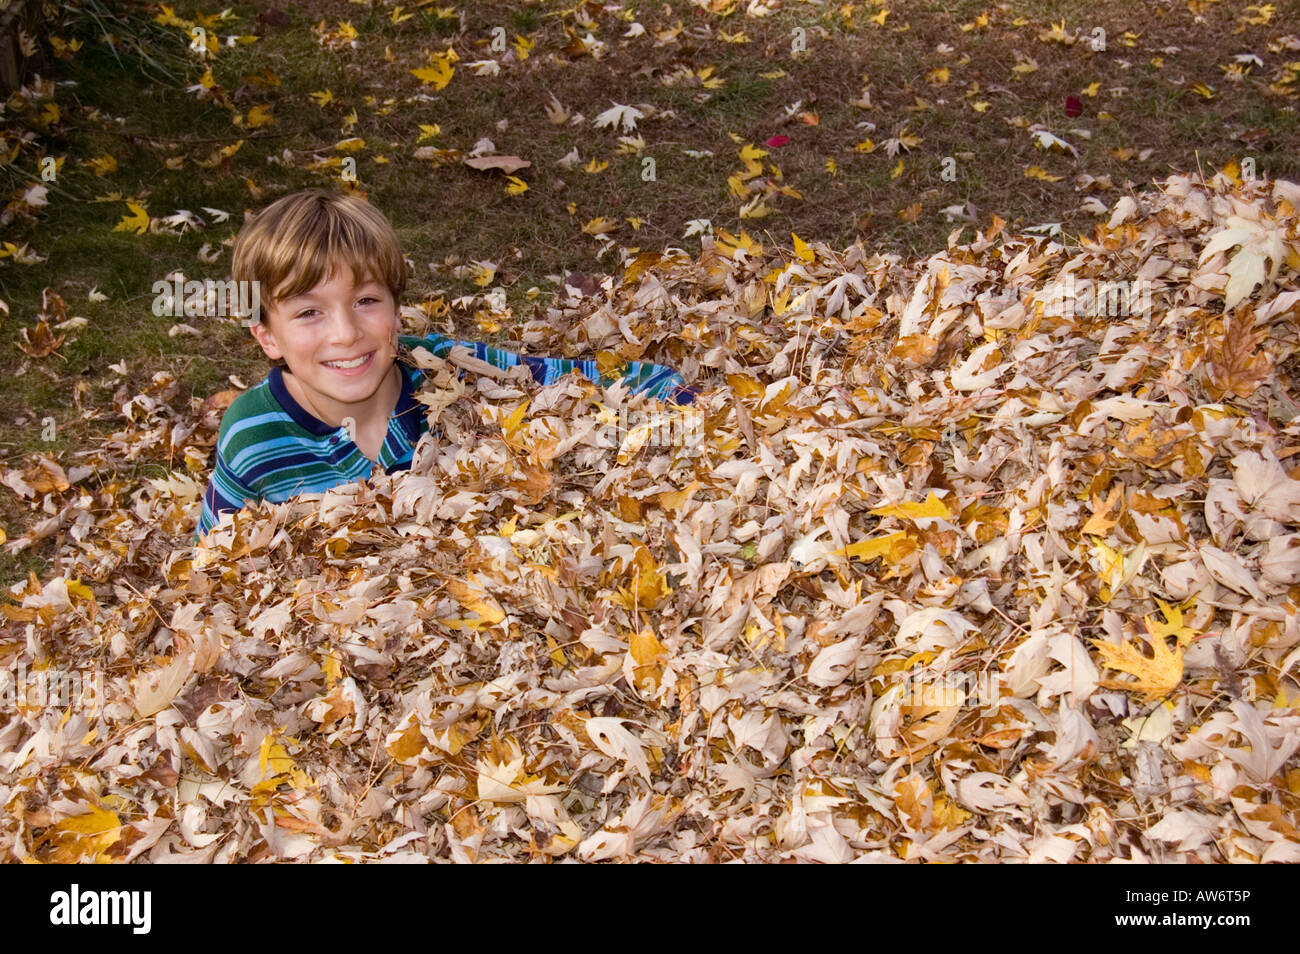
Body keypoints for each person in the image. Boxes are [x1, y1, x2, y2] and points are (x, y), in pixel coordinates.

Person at [195, 189, 694, 541]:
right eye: (308, 312)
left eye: (366, 301)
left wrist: (694, 412)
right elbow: (211, 566)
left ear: (395, 307)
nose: (345, 333)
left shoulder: (447, 371)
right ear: (267, 336)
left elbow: (602, 384)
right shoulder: (254, 437)